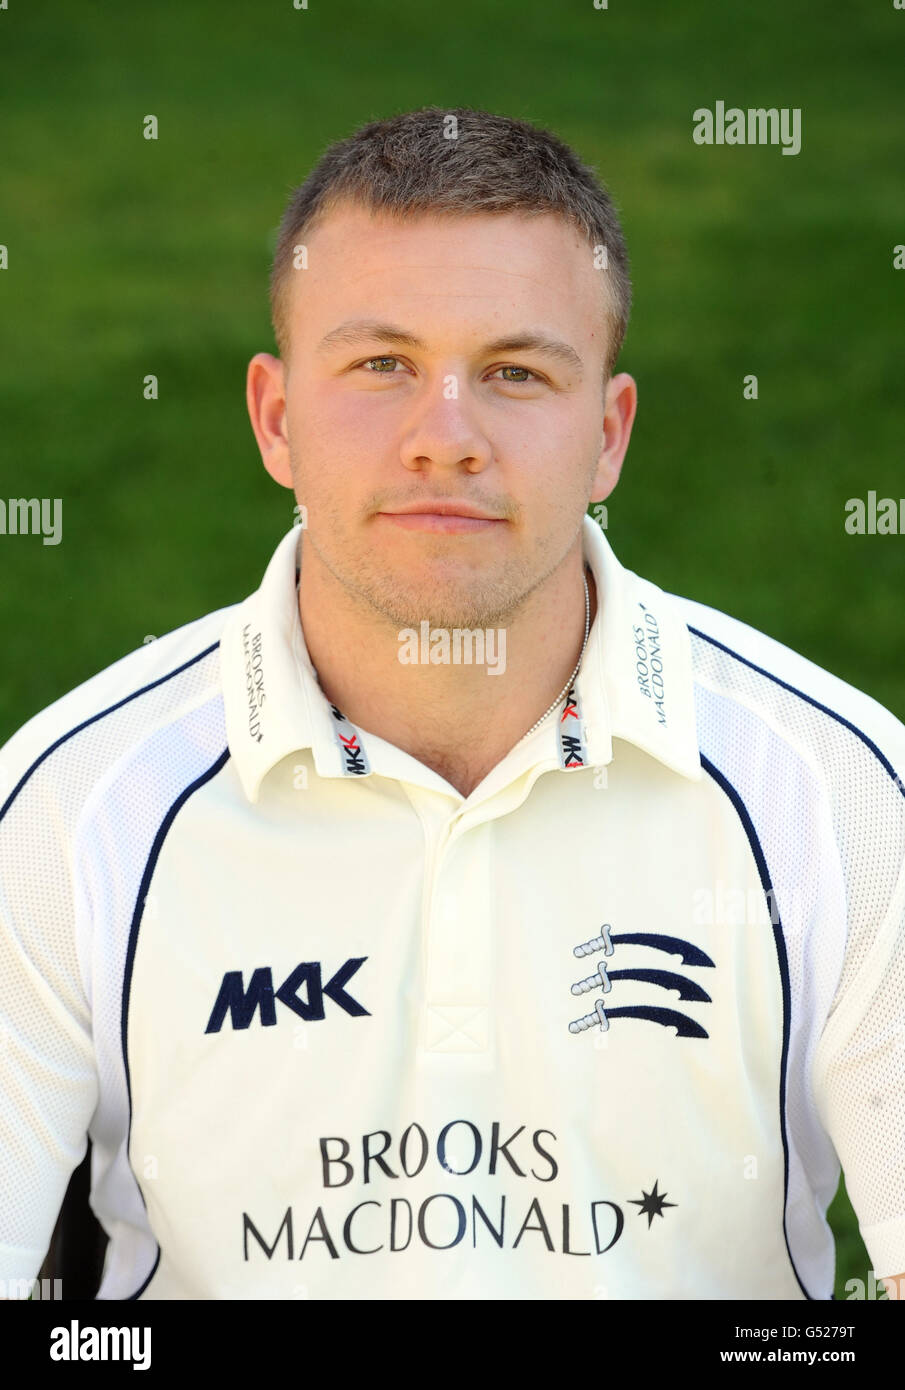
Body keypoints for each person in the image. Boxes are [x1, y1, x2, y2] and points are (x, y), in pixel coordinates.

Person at [1, 106, 903, 1302]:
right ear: (276, 418)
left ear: (607, 436)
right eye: (381, 365)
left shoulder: (838, 791)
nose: (447, 438)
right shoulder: (68, 810)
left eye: (514, 374)